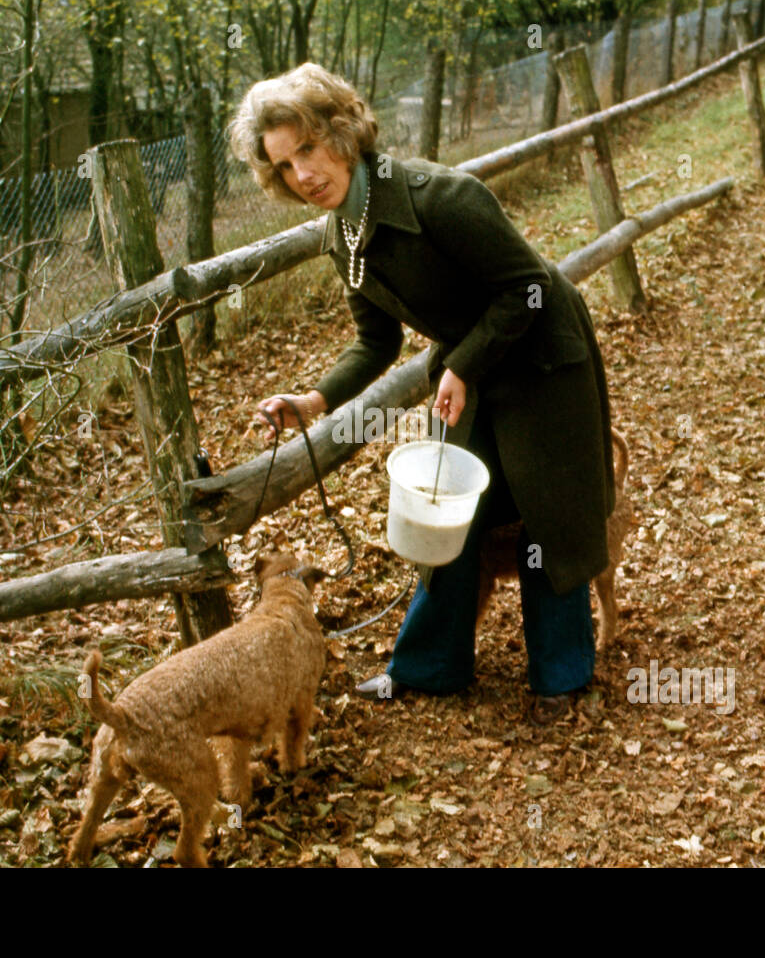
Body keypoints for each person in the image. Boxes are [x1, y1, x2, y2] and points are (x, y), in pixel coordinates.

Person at [226, 63, 617, 724]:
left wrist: (460, 365)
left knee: (546, 514)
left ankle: (563, 676)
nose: (304, 174)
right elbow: (373, 341)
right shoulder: (342, 233)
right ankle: (430, 668)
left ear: (342, 132)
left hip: (545, 359)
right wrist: (315, 401)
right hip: (474, 365)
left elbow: (529, 288)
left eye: (309, 150)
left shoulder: (440, 197)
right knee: (447, 509)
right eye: (285, 165)